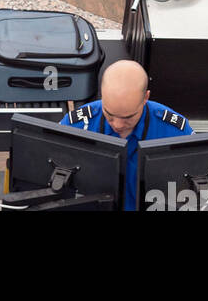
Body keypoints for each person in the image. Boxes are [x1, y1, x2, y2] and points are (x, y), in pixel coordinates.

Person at [61, 61, 192, 211]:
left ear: (145, 98)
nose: (117, 125)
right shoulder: (76, 126)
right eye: (109, 114)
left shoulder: (175, 131)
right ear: (102, 95)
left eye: (128, 117)